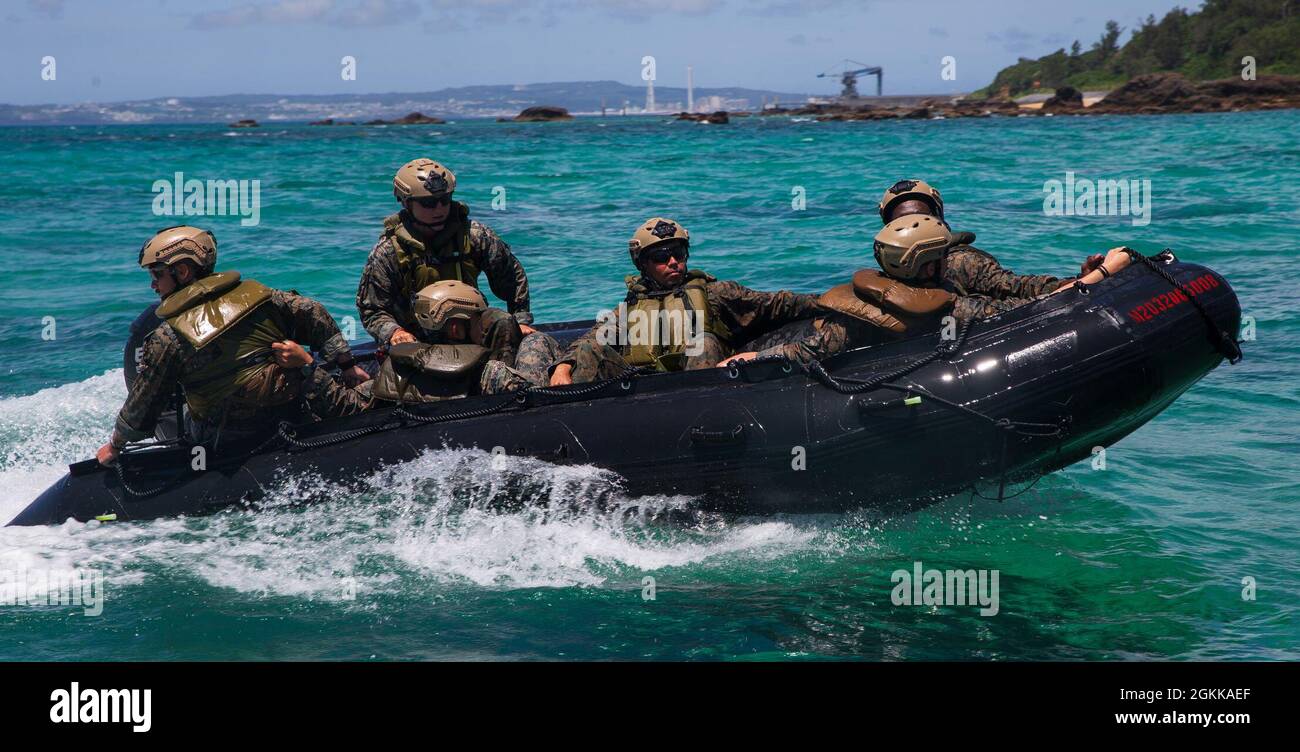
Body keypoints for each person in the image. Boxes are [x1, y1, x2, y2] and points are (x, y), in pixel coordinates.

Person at [97, 226, 370, 465]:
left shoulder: (167, 337)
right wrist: (347, 364)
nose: (153, 285)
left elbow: (143, 405)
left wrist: (116, 446)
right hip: (289, 413)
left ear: (182, 270)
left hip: (226, 437)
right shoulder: (265, 299)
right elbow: (313, 311)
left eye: (157, 275)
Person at [748, 214, 1134, 365]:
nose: (946, 261)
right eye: (938, 256)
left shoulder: (874, 299)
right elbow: (1030, 308)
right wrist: (1103, 274)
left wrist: (749, 361)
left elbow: (819, 344)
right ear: (924, 262)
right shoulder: (944, 308)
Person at [548, 217, 821, 385]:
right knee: (587, 351)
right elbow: (592, 340)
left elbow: (777, 304)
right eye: (661, 257)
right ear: (643, 265)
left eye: (678, 253)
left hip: (698, 388)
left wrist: (832, 301)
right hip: (642, 387)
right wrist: (563, 367)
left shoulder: (716, 293)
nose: (673, 262)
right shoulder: (630, 307)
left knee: (703, 342)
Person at [356, 158, 535, 350]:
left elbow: (513, 279)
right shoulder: (389, 251)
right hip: (417, 337)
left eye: (445, 200)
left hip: (469, 327)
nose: (439, 209)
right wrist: (394, 332)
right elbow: (372, 309)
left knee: (503, 323)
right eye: (429, 203)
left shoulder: (474, 235)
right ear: (407, 203)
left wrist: (520, 320)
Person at [368, 280, 548, 401]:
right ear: (455, 330)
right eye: (480, 319)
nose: (488, 324)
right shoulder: (493, 373)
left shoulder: (404, 372)